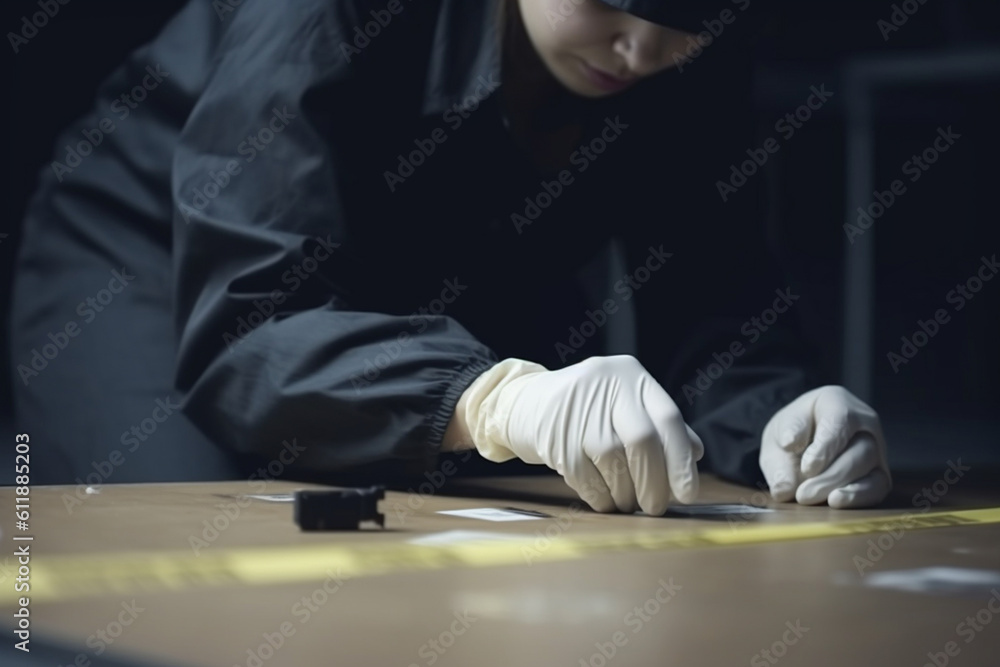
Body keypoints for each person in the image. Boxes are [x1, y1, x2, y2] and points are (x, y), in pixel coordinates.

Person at [10, 0, 891, 511]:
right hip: (150, 256)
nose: (645, 48)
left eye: (688, 15)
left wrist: (784, 418)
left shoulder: (679, 50)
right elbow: (253, 324)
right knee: (198, 543)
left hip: (429, 279)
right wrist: (494, 398)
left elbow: (714, 296)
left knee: (510, 540)